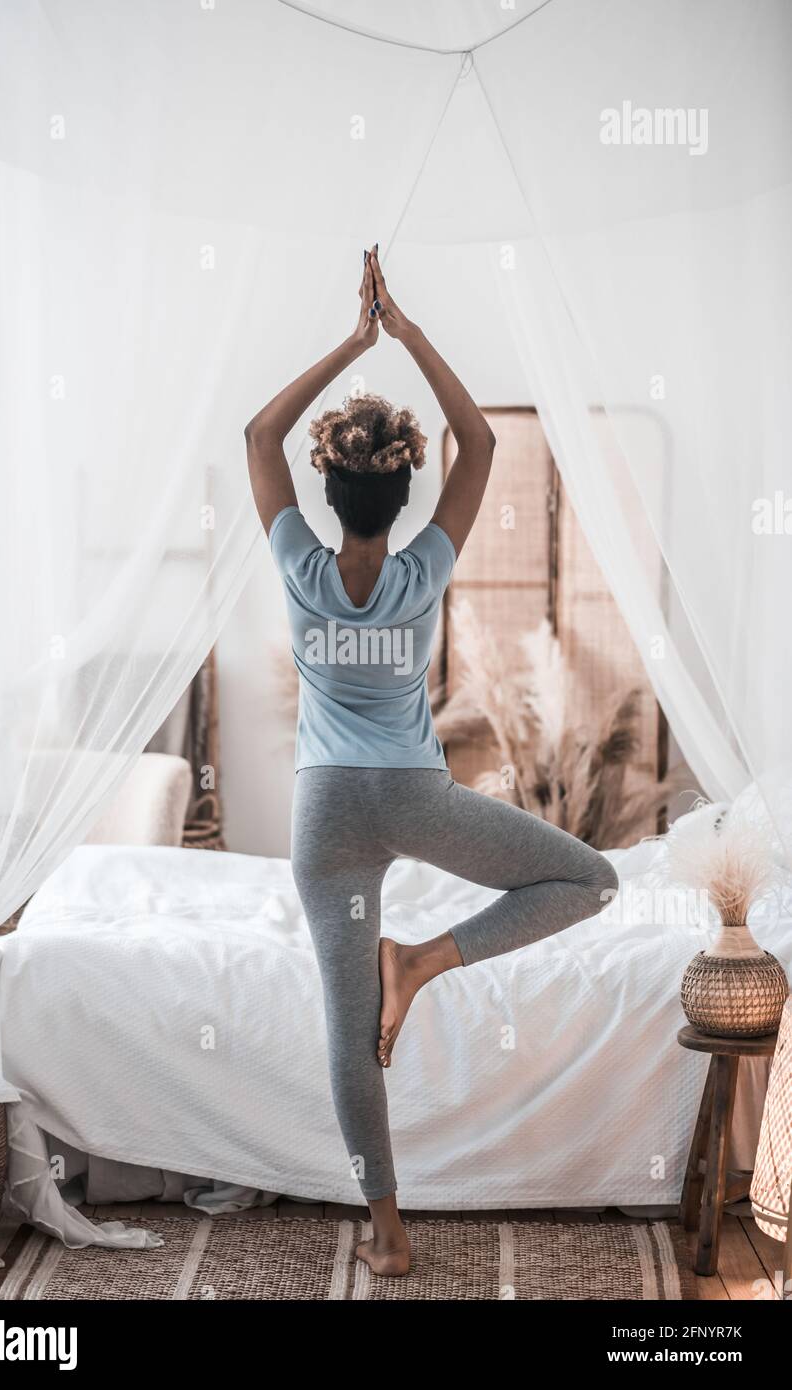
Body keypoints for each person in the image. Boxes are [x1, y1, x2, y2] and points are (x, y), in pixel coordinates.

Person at [245, 246, 619, 1277]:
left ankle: (387, 1226)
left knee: (344, 1025)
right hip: (412, 798)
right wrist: (402, 333)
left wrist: (350, 341)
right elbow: (480, 442)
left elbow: (257, 432)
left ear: (326, 493)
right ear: (405, 495)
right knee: (591, 879)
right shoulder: (425, 567)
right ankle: (422, 959)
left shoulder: (296, 563)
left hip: (324, 817)